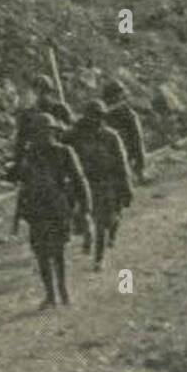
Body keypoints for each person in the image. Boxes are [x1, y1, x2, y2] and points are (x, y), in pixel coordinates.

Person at [13, 113, 92, 307]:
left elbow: (79, 180)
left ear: (53, 132)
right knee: (41, 253)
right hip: (37, 211)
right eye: (38, 133)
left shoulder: (64, 152)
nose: (42, 136)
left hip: (58, 209)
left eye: (46, 132)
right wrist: (18, 214)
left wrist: (85, 208)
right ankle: (50, 294)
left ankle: (62, 288)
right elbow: (23, 184)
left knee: (57, 251)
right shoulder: (30, 154)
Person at [65, 100, 133, 270]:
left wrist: (126, 187)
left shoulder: (111, 136)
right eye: (92, 116)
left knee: (103, 221)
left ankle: (99, 258)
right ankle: (89, 240)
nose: (96, 120)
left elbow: (121, 163)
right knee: (82, 216)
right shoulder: (75, 135)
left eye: (99, 116)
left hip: (105, 182)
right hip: (83, 182)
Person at [9, 74, 74, 185]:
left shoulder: (60, 109)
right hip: (37, 156)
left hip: (58, 155)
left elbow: (73, 133)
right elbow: (21, 141)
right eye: (38, 91)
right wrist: (17, 163)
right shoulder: (27, 114)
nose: (42, 96)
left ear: (50, 92)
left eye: (45, 92)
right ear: (34, 92)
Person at [101, 80, 148, 184]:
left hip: (117, 144)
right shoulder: (123, 109)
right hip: (122, 142)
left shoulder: (103, 109)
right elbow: (137, 137)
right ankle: (139, 173)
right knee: (136, 145)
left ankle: (136, 173)